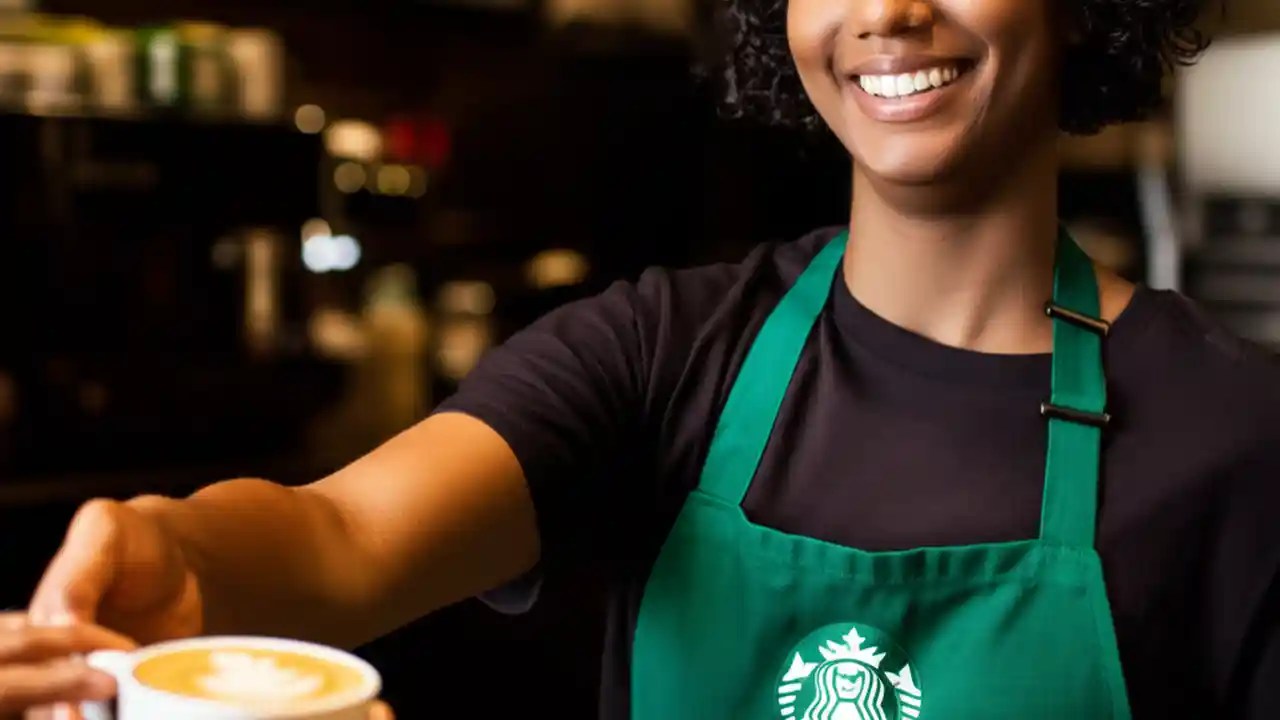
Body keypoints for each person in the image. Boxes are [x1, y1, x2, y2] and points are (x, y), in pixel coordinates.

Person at [3, 0, 1278, 717]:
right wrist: (175, 556)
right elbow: (338, 540)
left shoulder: (1230, 437)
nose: (887, 9)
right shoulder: (666, 353)